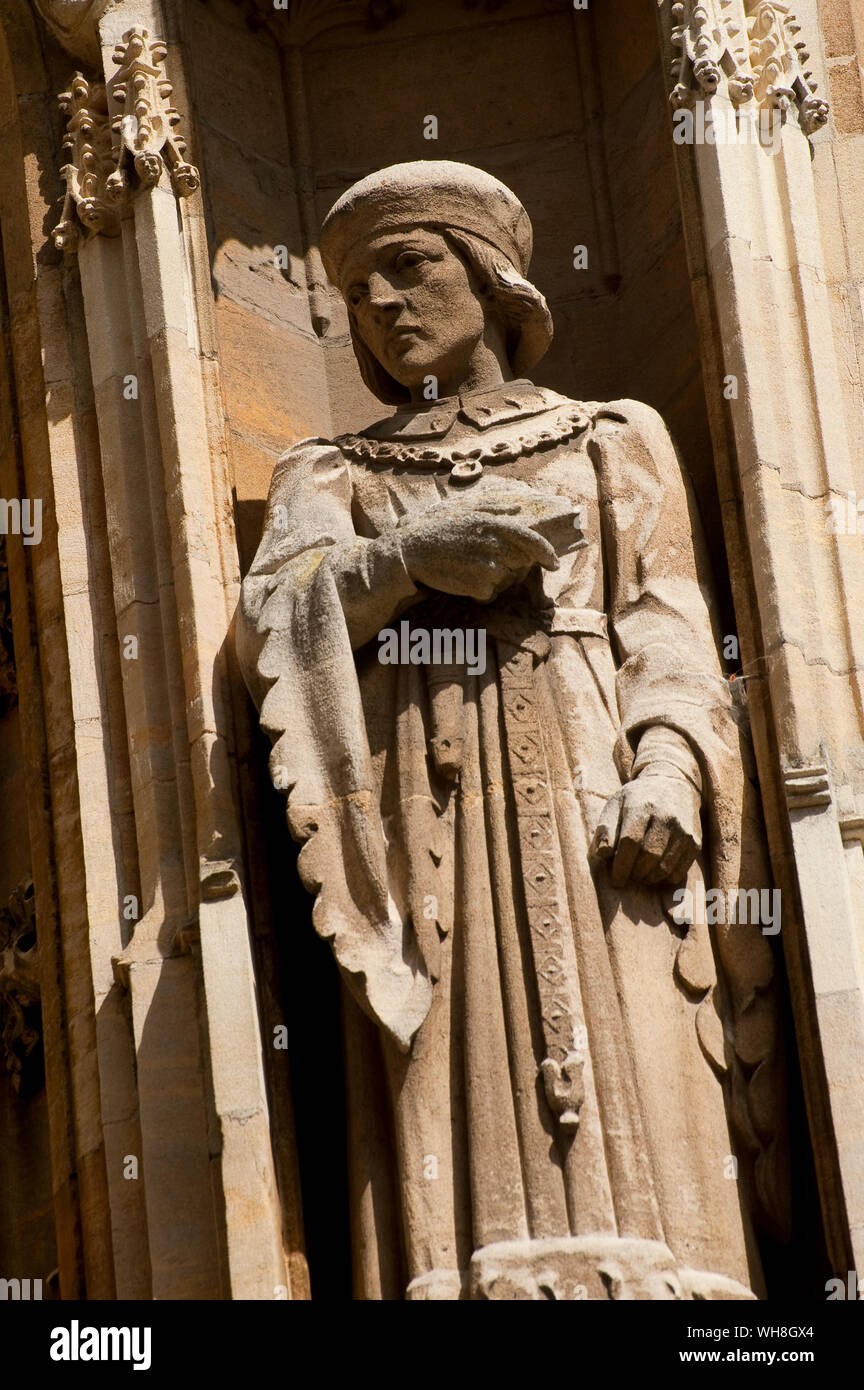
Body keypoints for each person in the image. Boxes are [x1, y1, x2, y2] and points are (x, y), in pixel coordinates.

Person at [236, 161, 787, 1300]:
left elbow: (670, 624)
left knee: (638, 1050)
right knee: (451, 1072)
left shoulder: (607, 436)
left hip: (597, 784)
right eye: (355, 294)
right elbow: (268, 626)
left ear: (490, 279)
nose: (382, 306)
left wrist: (675, 765)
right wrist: (404, 561)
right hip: (424, 815)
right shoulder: (330, 469)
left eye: (410, 266)